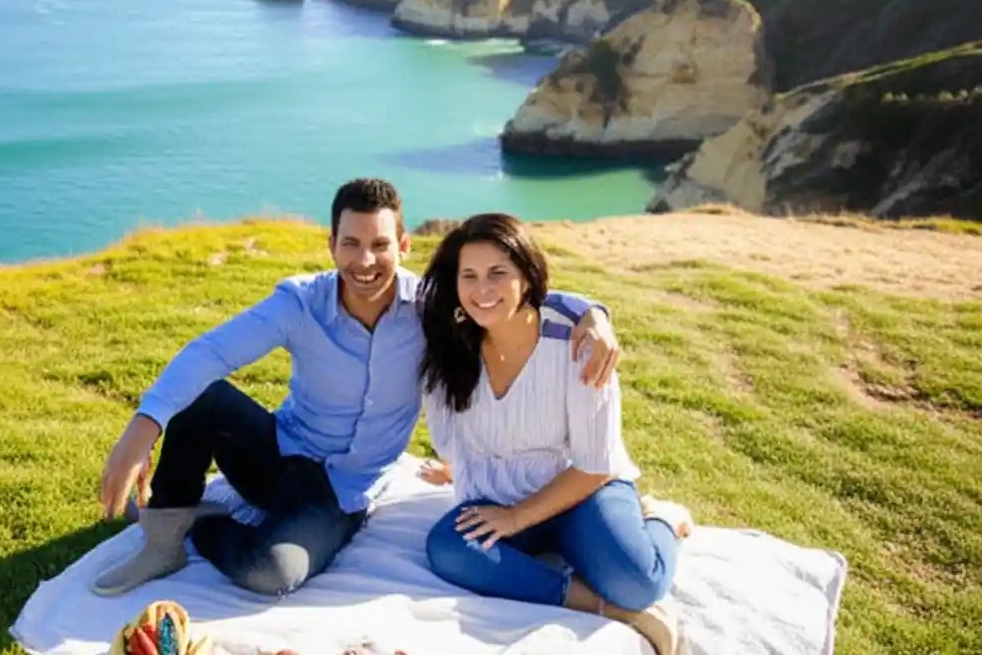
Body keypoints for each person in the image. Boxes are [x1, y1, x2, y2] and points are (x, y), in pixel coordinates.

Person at [91, 179, 622, 598]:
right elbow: (211, 351)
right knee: (201, 394)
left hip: (341, 492)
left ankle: (202, 527)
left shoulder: (431, 307)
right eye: (351, 244)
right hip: (279, 451)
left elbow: (508, 291)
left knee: (270, 574)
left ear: (404, 245)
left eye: (379, 245)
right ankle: (163, 535)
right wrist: (144, 425)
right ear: (331, 245)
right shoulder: (300, 303)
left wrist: (592, 314)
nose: (365, 261)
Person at [417, 213, 694, 655]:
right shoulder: (447, 348)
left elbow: (595, 465)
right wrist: (460, 471)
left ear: (526, 278)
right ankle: (605, 607)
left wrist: (515, 519)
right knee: (449, 547)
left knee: (638, 581)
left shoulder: (579, 344)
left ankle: (664, 517)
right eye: (468, 275)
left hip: (583, 493)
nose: (482, 290)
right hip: (498, 495)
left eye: (498, 274)